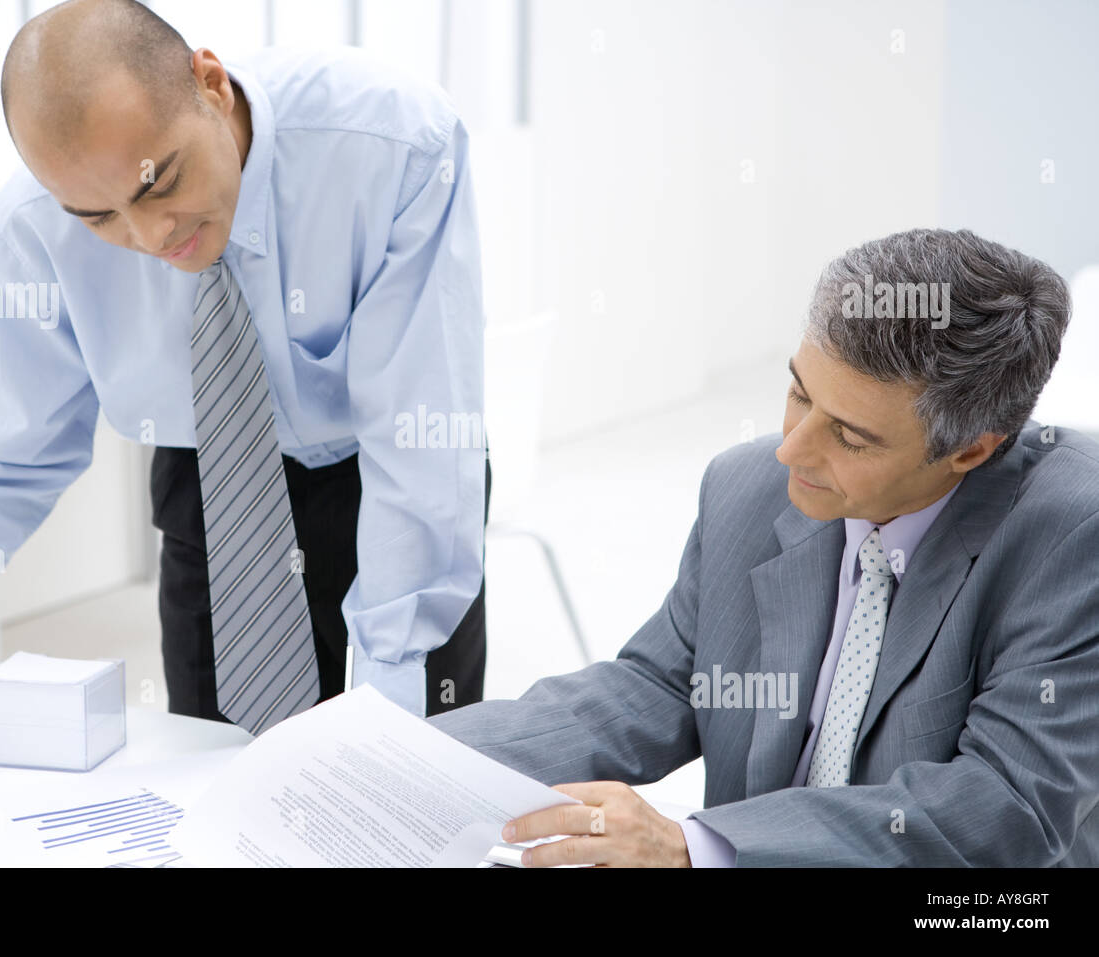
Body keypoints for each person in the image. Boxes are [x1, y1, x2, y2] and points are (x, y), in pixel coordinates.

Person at [0, 0, 488, 768]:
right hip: (214, 498)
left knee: (408, 791)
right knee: (219, 784)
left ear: (212, 83)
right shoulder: (34, 227)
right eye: (100, 217)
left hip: (382, 486)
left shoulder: (392, 143)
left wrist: (387, 727)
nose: (151, 236)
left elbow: (417, 443)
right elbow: (4, 463)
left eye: (162, 183)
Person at [431, 228, 1099, 867]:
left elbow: (1004, 806)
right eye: (798, 394)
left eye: (851, 436)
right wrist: (426, 758)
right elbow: (658, 684)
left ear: (972, 449)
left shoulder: (1072, 533)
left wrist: (692, 848)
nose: (791, 449)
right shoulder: (746, 485)